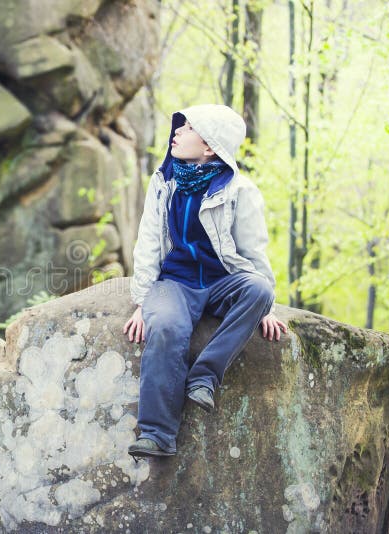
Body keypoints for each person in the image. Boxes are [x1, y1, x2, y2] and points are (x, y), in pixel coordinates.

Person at [123, 104, 287, 459]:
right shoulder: (164, 183)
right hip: (175, 283)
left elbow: (253, 252)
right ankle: (156, 434)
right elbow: (148, 242)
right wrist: (142, 302)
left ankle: (205, 377)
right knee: (166, 326)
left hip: (221, 283)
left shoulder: (240, 190)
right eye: (178, 127)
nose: (177, 133)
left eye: (187, 128)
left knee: (259, 290)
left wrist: (267, 308)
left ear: (210, 146)